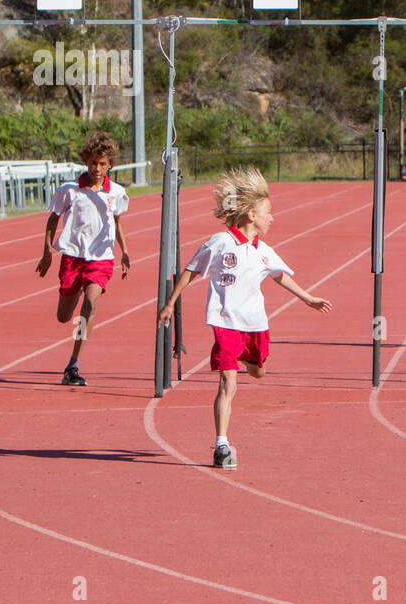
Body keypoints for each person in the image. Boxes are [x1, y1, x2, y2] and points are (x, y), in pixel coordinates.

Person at [157, 167, 332, 471]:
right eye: (268, 212)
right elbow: (191, 270)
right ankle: (221, 444)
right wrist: (171, 302)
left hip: (255, 325)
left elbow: (281, 277)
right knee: (228, 381)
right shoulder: (220, 243)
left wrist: (308, 298)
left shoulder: (263, 251)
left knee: (258, 372)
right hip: (225, 323)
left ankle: (251, 362)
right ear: (252, 214)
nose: (272, 218)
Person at [36, 131, 131, 387]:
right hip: (72, 257)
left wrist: (125, 252)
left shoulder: (117, 193)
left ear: (110, 164)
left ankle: (73, 364)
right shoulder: (69, 191)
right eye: (92, 163)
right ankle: (76, 291)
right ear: (85, 162)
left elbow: (117, 222)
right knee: (63, 317)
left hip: (100, 259)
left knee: (90, 306)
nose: (97, 168)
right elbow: (53, 219)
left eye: (102, 163)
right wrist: (47, 252)